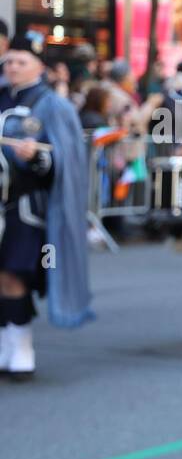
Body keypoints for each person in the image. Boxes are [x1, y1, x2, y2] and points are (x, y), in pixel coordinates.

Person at [0, 32, 93, 376]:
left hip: (26, 206)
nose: (12, 67)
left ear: (39, 67)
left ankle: (21, 347)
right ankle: (7, 343)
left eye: (20, 62)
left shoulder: (53, 105)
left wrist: (35, 158)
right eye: (9, 60)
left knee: (13, 274)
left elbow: (65, 160)